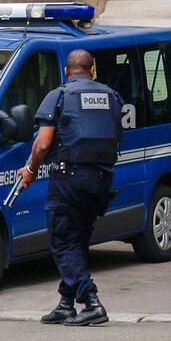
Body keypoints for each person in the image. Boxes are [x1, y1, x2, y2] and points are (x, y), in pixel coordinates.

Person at [19, 49, 123, 326]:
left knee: (63, 240)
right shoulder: (111, 97)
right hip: (102, 178)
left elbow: (42, 144)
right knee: (77, 240)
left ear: (67, 71)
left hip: (69, 179)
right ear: (92, 70)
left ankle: (91, 301)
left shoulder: (60, 95)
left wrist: (30, 170)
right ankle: (66, 304)